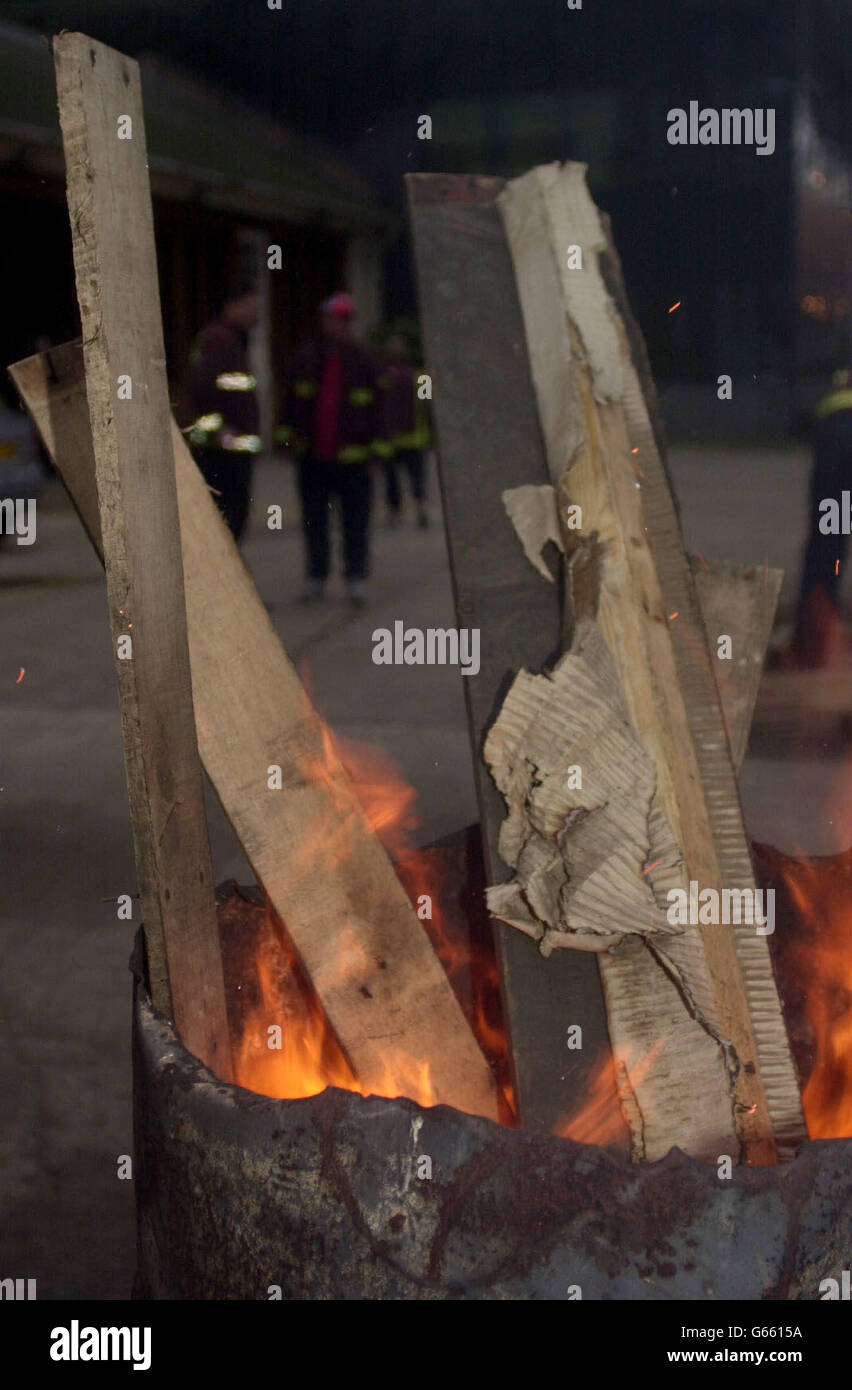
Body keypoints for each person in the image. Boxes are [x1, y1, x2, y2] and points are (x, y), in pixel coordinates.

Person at [276, 292, 388, 604]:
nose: (336, 325)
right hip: (313, 459)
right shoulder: (305, 357)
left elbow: (381, 412)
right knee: (314, 521)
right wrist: (285, 442)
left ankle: (355, 578)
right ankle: (316, 577)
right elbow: (289, 404)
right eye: (331, 319)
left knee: (355, 522)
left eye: (343, 320)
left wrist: (378, 454)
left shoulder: (366, 361)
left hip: (354, 464)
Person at [785, 367, 852, 668]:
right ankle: (813, 643)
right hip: (838, 432)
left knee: (827, 544)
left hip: (835, 435)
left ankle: (811, 643)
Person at [185, 281, 262, 542]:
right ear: (232, 307)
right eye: (250, 307)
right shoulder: (219, 340)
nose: (255, 314)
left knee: (233, 519)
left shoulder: (234, 341)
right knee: (225, 521)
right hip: (221, 453)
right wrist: (220, 432)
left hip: (233, 449)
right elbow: (203, 390)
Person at [381, 334, 431, 528]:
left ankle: (395, 512)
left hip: (391, 439)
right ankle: (421, 507)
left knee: (392, 479)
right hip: (416, 438)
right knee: (417, 477)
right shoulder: (420, 377)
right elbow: (427, 406)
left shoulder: (383, 378)